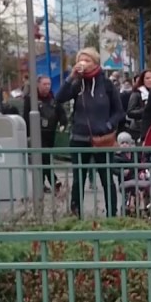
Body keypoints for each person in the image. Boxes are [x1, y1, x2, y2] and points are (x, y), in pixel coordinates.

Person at [54, 48, 124, 218]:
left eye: (87, 60)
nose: (83, 64)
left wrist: (108, 125)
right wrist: (71, 77)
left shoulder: (106, 84)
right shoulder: (77, 84)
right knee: (79, 180)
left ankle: (112, 216)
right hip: (79, 138)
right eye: (80, 60)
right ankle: (76, 215)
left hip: (102, 139)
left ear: (96, 63)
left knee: (107, 179)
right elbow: (59, 98)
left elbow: (119, 112)